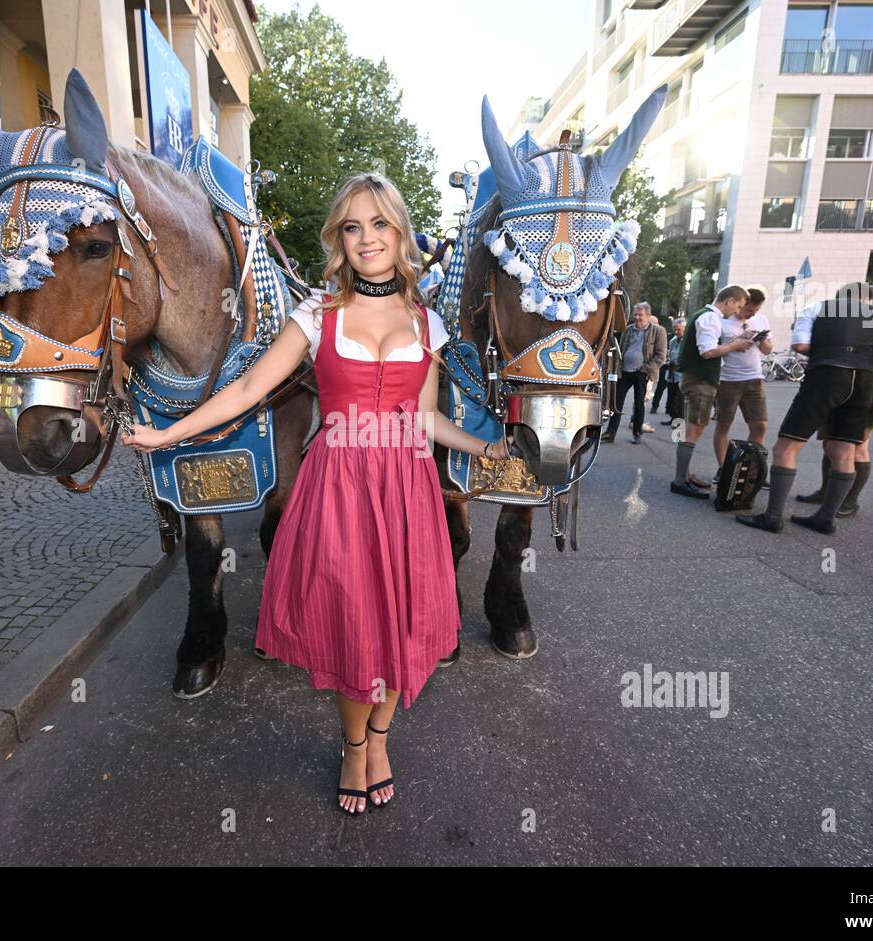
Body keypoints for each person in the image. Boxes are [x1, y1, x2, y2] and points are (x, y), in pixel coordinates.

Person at [123, 172, 513, 815]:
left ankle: (380, 739)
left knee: (402, 623)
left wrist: (484, 447)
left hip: (408, 487)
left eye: (379, 224)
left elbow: (425, 419)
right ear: (340, 239)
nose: (367, 239)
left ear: (399, 233)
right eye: (353, 227)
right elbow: (247, 392)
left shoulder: (427, 322)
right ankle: (354, 746)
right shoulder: (317, 315)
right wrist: (169, 435)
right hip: (338, 488)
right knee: (355, 626)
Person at [737, 282, 873, 535]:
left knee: (786, 447)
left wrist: (832, 351)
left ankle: (772, 516)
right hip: (864, 382)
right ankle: (826, 518)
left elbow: (800, 346)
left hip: (826, 376)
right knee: (843, 450)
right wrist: (860, 355)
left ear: (838, 297)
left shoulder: (817, 308)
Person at [669, 286, 751, 498]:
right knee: (694, 429)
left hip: (696, 379)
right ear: (730, 300)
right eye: (739, 306)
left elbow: (708, 348)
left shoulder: (705, 316)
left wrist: (735, 342)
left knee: (692, 428)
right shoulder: (711, 318)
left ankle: (684, 476)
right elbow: (707, 352)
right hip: (700, 380)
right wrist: (736, 345)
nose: (737, 311)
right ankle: (680, 481)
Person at [711, 287, 773, 483]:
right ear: (740, 304)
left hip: (755, 378)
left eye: (756, 310)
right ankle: (724, 469)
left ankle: (752, 469)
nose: (753, 314)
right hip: (728, 380)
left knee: (760, 426)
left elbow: (767, 350)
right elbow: (711, 350)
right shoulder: (722, 321)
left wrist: (761, 340)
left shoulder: (760, 320)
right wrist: (736, 342)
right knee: (723, 425)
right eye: (749, 310)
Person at [602, 301, 667, 445]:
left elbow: (661, 356)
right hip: (624, 371)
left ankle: (637, 433)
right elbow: (622, 350)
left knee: (639, 404)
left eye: (640, 315)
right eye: (635, 314)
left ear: (648, 315)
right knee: (616, 403)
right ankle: (610, 433)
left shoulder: (658, 331)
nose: (637, 317)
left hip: (642, 372)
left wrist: (645, 368)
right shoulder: (628, 329)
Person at [651, 317, 685, 420]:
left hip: (682, 372)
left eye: (679, 329)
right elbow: (669, 353)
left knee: (680, 398)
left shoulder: (688, 341)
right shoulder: (673, 340)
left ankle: (679, 419)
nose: (676, 332)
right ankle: (673, 418)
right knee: (671, 396)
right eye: (675, 329)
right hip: (671, 370)